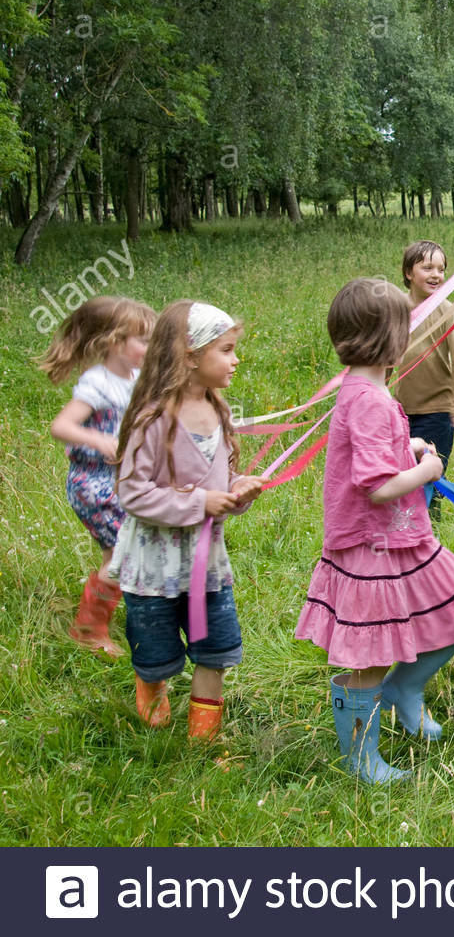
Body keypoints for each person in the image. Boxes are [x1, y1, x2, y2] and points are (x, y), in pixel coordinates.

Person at [296, 279, 454, 784]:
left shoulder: (371, 390)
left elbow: (375, 458)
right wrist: (428, 471)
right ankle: (362, 761)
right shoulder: (368, 397)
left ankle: (403, 689)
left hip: (403, 537)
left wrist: (409, 447)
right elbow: (378, 487)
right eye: (405, 325)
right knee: (368, 651)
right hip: (371, 545)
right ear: (389, 337)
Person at [110, 301, 267, 738]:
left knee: (214, 650)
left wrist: (237, 492)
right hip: (155, 569)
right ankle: (152, 708)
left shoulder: (219, 411)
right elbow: (132, 492)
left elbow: (218, 480)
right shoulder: (154, 419)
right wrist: (200, 503)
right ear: (190, 355)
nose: (236, 359)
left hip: (207, 567)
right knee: (155, 654)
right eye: (227, 349)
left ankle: (203, 741)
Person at [39, 296, 156, 658]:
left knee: (132, 549)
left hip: (123, 482)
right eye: (143, 340)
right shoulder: (98, 382)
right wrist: (98, 438)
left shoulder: (135, 377)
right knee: (121, 553)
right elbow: (61, 426)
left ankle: (124, 616)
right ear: (115, 343)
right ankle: (89, 630)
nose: (151, 348)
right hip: (95, 485)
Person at [391, 240, 454, 518]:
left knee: (430, 477)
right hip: (401, 411)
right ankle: (401, 528)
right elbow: (385, 355)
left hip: (438, 412)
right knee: (400, 472)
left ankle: (429, 530)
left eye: (441, 268)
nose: (436, 274)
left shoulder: (447, 311)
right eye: (427, 268)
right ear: (408, 272)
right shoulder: (396, 307)